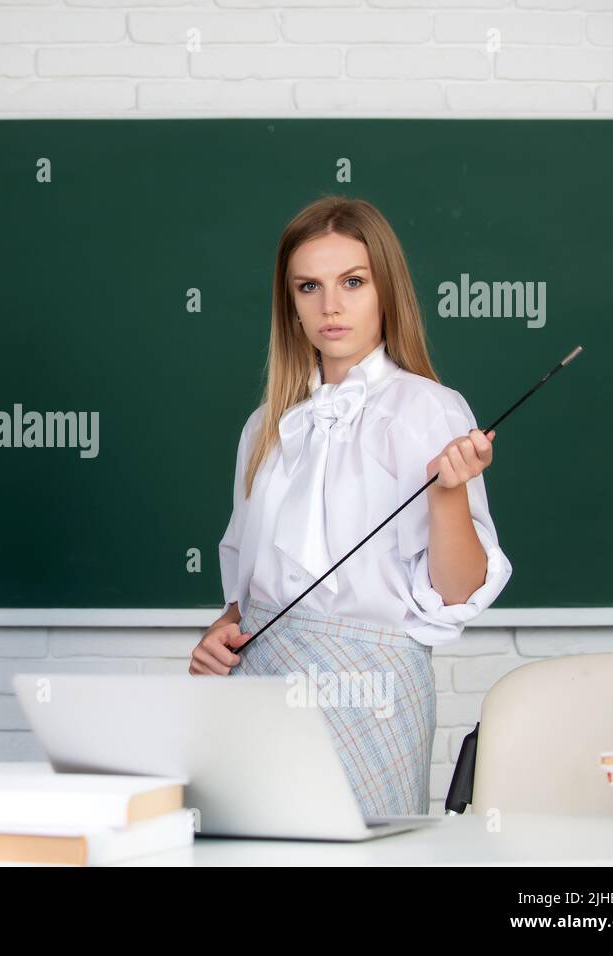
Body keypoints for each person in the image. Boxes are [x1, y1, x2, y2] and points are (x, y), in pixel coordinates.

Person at [189, 195, 513, 817]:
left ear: (386, 289)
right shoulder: (265, 427)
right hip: (258, 689)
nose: (330, 306)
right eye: (309, 286)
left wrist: (448, 496)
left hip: (374, 692)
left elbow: (454, 595)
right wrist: (216, 636)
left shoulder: (430, 409)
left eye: (353, 282)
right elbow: (246, 590)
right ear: (290, 302)